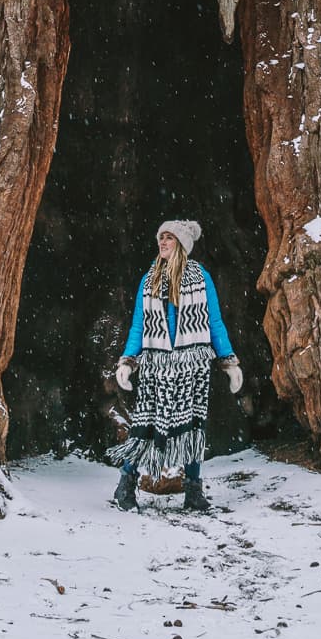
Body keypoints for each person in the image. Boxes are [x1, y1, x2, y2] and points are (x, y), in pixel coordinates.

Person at [111, 219, 242, 514]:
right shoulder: (149, 280)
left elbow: (214, 322)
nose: (163, 242)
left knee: (192, 430)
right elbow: (138, 326)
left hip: (191, 364)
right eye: (161, 237)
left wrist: (229, 361)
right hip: (157, 364)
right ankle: (125, 486)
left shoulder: (201, 278)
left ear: (181, 244)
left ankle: (193, 491)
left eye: (169, 238)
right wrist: (128, 361)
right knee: (144, 428)